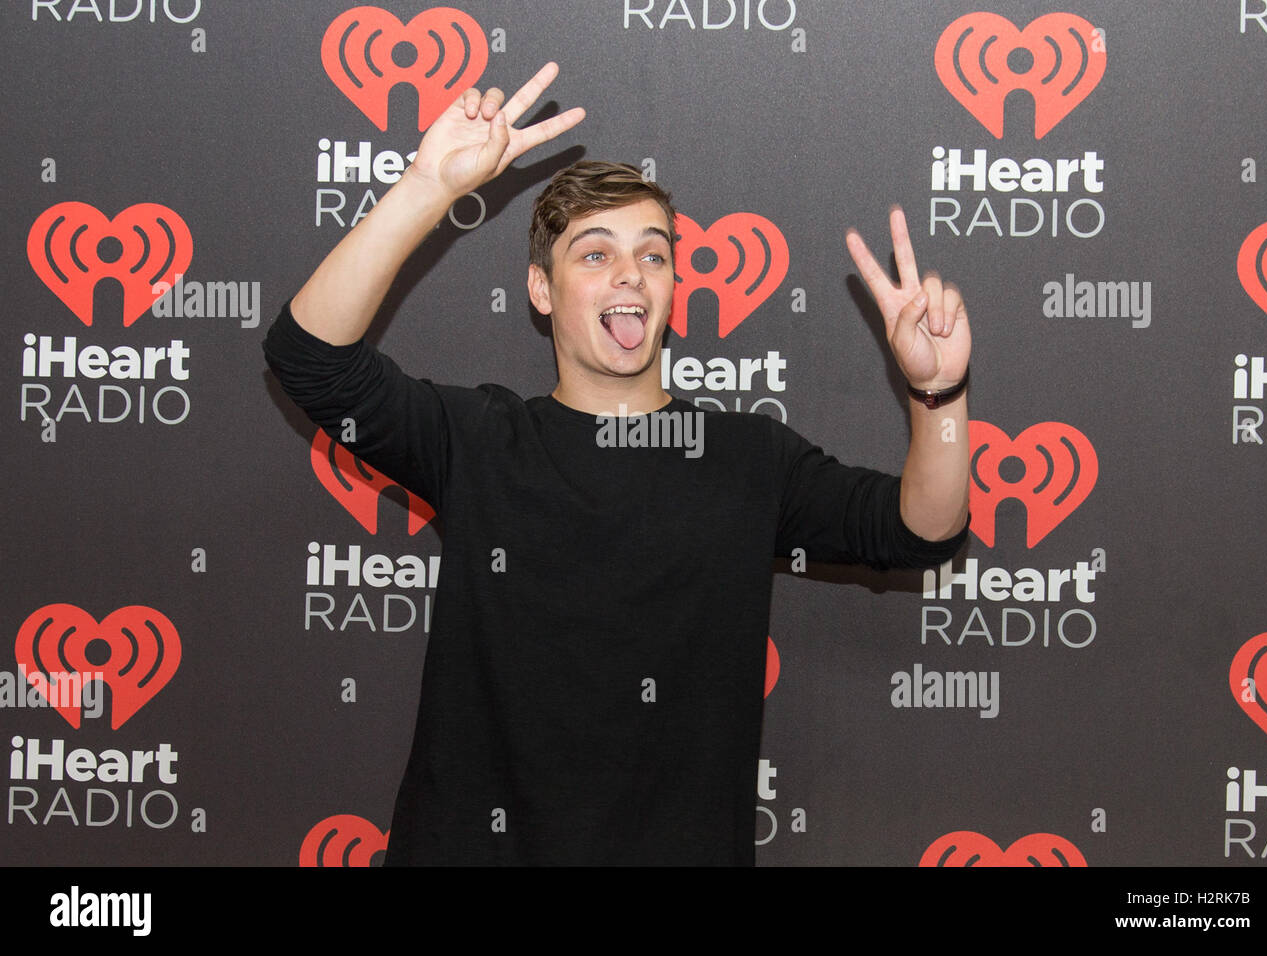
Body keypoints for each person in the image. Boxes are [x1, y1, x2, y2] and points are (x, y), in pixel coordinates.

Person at [265, 64, 971, 865]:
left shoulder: (747, 459)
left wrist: (939, 393)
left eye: (653, 255)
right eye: (593, 255)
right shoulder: (477, 440)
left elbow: (923, 530)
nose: (629, 274)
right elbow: (310, 362)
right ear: (541, 288)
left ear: (673, 287)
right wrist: (426, 186)